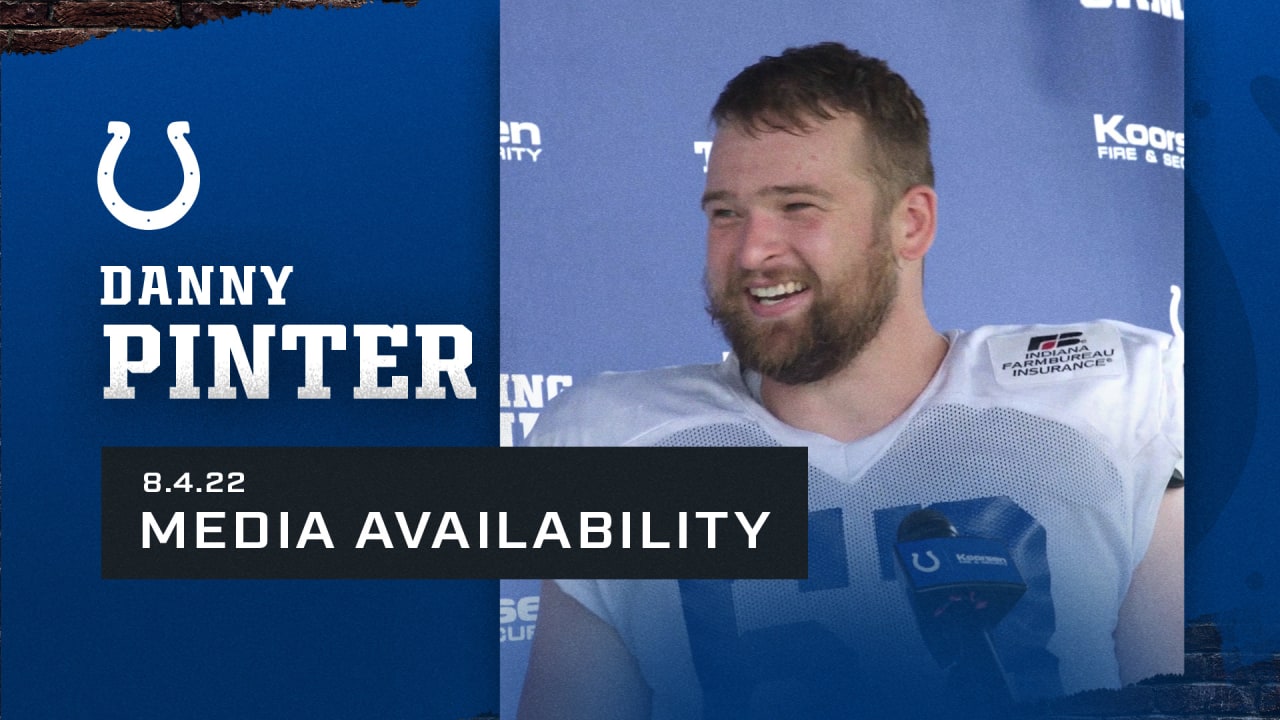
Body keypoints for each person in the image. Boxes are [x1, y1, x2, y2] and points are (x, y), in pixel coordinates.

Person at [517, 42, 1184, 720]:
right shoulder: (614, 446)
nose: (751, 250)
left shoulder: (1105, 402)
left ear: (911, 222)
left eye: (798, 206)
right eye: (725, 213)